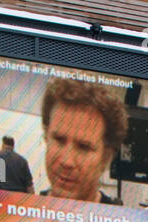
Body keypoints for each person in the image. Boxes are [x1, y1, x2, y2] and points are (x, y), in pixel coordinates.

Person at [37, 77, 128, 205]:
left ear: (106, 158)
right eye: (59, 140)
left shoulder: (117, 217)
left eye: (83, 147)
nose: (67, 161)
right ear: (46, 137)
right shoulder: (19, 213)